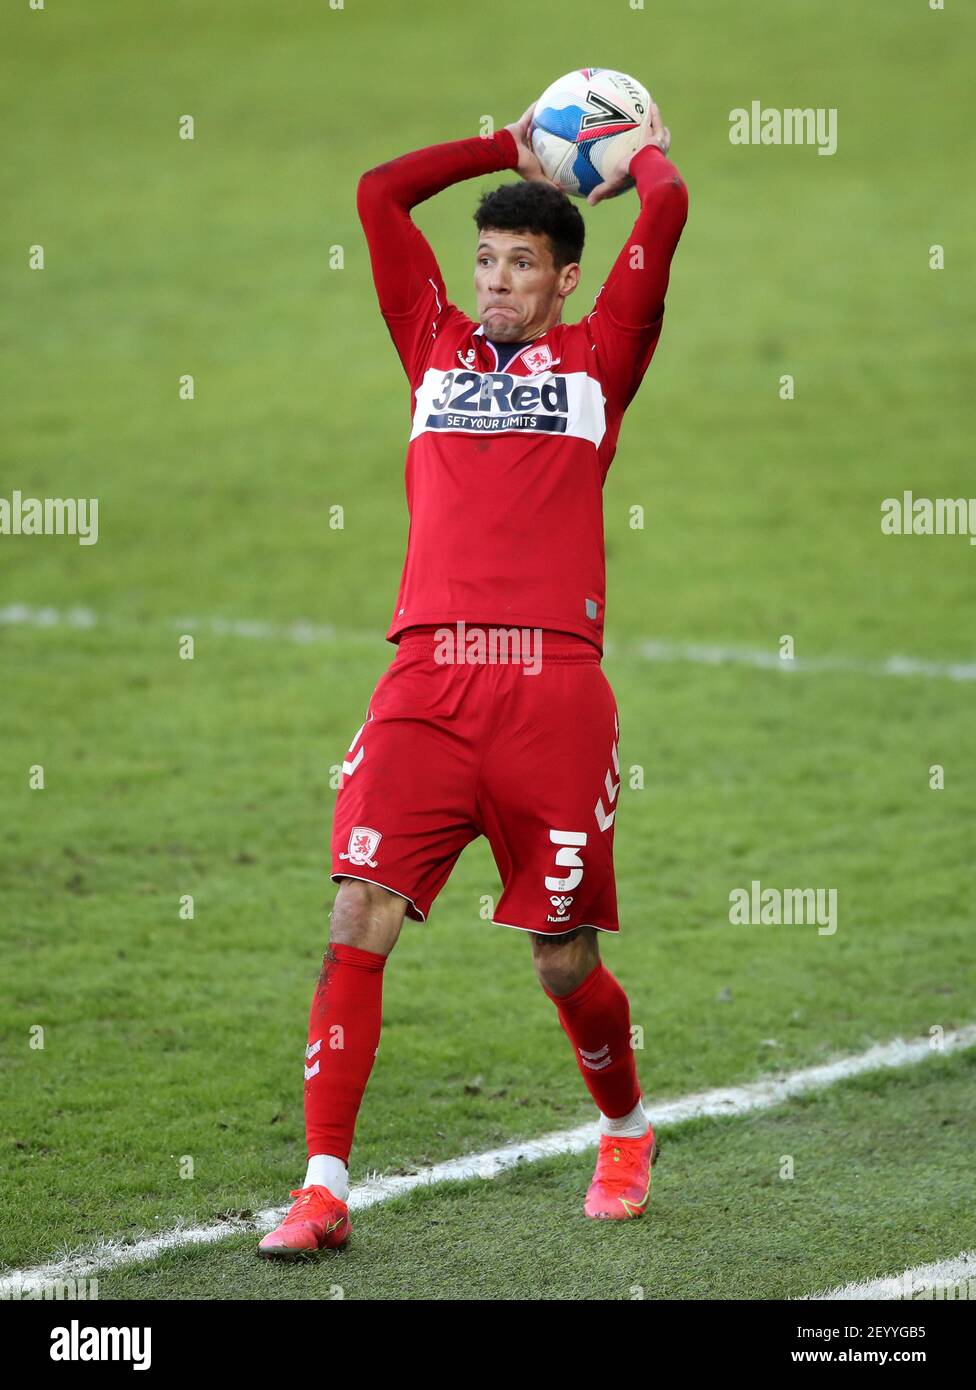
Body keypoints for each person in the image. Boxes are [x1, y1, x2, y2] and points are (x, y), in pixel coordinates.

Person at [259, 97, 689, 1257]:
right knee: (358, 906)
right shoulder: (431, 342)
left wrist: (632, 152)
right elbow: (377, 192)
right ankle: (322, 1188)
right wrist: (503, 150)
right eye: (487, 261)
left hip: (550, 691)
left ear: (563, 282)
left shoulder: (602, 357)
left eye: (522, 266)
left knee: (562, 957)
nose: (497, 282)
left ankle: (625, 1128)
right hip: (426, 682)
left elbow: (673, 201)